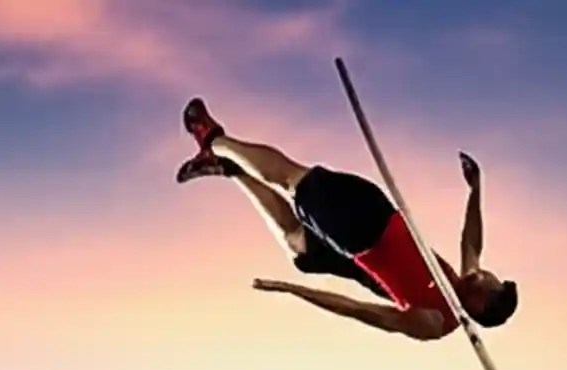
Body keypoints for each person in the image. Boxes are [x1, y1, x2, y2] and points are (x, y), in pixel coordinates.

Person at [174, 98, 518, 341]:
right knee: (292, 179)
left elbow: (362, 311)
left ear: (484, 303)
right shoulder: (463, 281)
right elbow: (472, 241)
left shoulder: (436, 322)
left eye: (493, 283)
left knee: (299, 245)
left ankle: (228, 165)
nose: (487, 274)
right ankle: (215, 141)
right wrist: (476, 188)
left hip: (357, 236)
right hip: (371, 219)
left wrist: (296, 291)